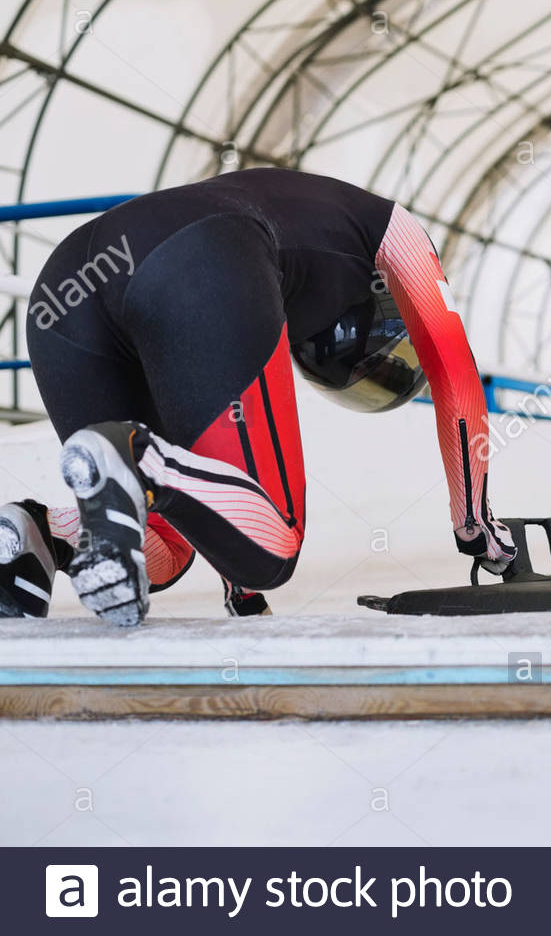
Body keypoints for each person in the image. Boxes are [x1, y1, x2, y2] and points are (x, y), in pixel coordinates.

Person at [0, 167, 515, 626]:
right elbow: (454, 371)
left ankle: (42, 534)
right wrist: (475, 523)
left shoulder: (297, 228)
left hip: (66, 288)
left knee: (167, 543)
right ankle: (137, 458)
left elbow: (218, 480)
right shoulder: (397, 231)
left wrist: (241, 593)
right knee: (275, 549)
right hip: (200, 254)